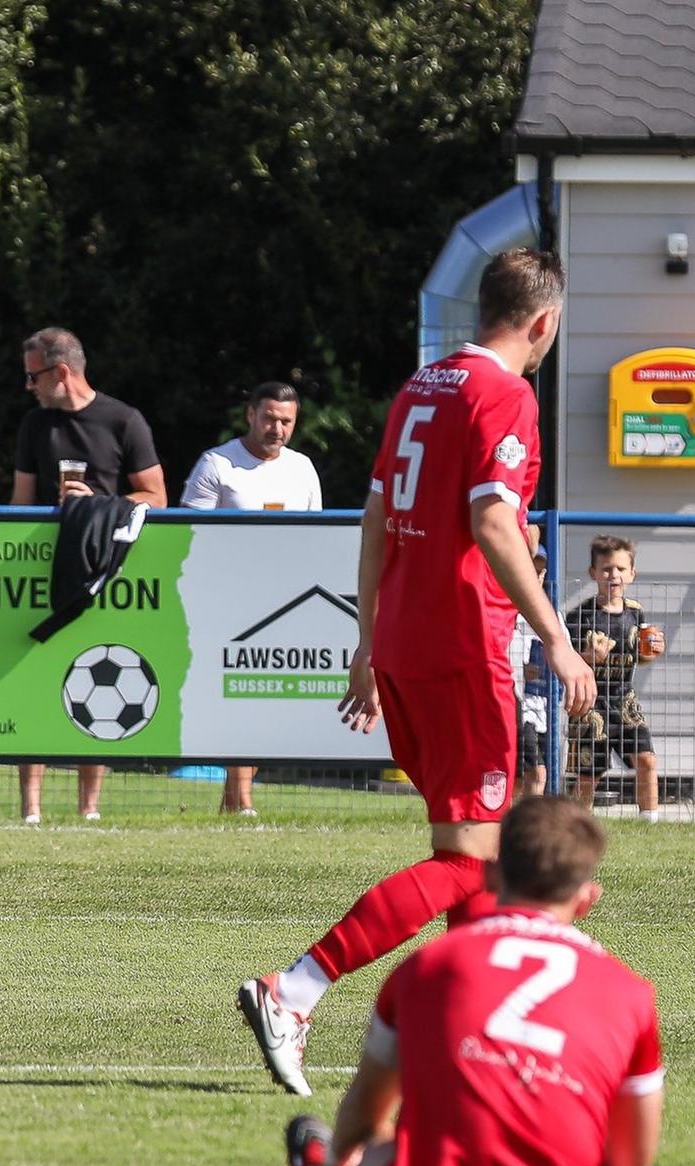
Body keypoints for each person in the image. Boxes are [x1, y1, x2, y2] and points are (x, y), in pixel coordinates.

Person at [237, 248, 598, 1096]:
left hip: (404, 640)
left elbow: (373, 520)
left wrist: (369, 640)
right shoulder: (505, 393)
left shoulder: (421, 387)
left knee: (462, 849)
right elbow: (494, 521)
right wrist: (556, 634)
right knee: (472, 861)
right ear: (542, 322)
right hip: (464, 645)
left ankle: (458, 1045)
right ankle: (294, 988)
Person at [285, 796, 664, 1166]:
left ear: (488, 875)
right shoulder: (630, 992)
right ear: (588, 898)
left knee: (377, 1160)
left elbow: (363, 1114)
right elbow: (634, 1160)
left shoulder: (426, 966)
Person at [10, 328, 163, 823]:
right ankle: (30, 808)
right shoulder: (34, 424)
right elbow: (19, 502)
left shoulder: (124, 420)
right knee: (32, 675)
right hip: (41, 565)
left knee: (100, 675)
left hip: (103, 569)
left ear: (61, 372)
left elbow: (156, 498)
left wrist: (98, 508)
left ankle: (89, 808)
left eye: (33, 376)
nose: (28, 386)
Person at [179, 381, 323, 816]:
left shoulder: (303, 468)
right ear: (250, 415)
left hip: (285, 599)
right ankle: (240, 799)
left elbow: (316, 535)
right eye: (269, 418)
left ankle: (234, 797)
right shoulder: (218, 464)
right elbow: (188, 533)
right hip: (227, 599)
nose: (276, 428)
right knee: (238, 693)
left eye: (286, 421)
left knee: (262, 695)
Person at [565, 535, 664, 821]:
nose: (614, 575)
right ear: (592, 573)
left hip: (624, 699)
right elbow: (563, 662)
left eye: (621, 569)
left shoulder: (635, 612)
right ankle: (576, 825)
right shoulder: (579, 617)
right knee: (588, 775)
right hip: (589, 703)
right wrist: (587, 657)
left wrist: (653, 651)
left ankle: (650, 821)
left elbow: (640, 657)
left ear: (632, 573)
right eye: (606, 569)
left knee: (646, 759)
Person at [511, 543, 552, 798]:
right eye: (526, 569)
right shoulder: (500, 611)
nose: (533, 577)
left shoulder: (550, 614)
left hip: (545, 713)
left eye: (538, 571)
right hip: (517, 708)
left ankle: (515, 822)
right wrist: (518, 670)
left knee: (523, 777)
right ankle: (528, 825)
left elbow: (567, 655)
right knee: (535, 773)